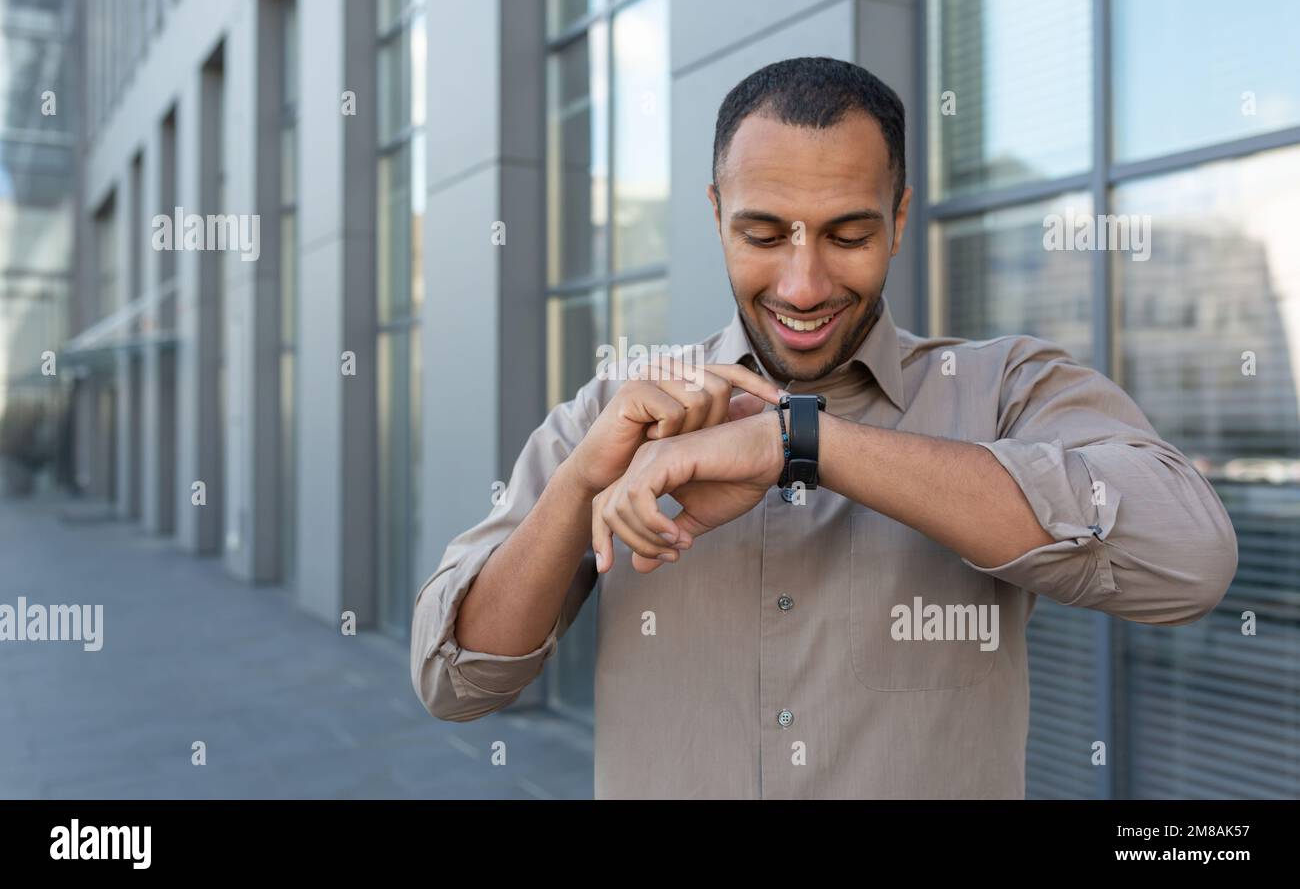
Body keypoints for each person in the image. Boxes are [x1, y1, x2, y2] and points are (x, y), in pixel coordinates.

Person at [410, 57, 1238, 798]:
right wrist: (581, 481)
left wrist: (799, 442)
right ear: (715, 213)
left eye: (849, 234)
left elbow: (1189, 559)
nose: (803, 286)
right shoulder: (614, 411)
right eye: (763, 234)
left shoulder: (1005, 389)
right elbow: (457, 684)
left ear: (900, 217)